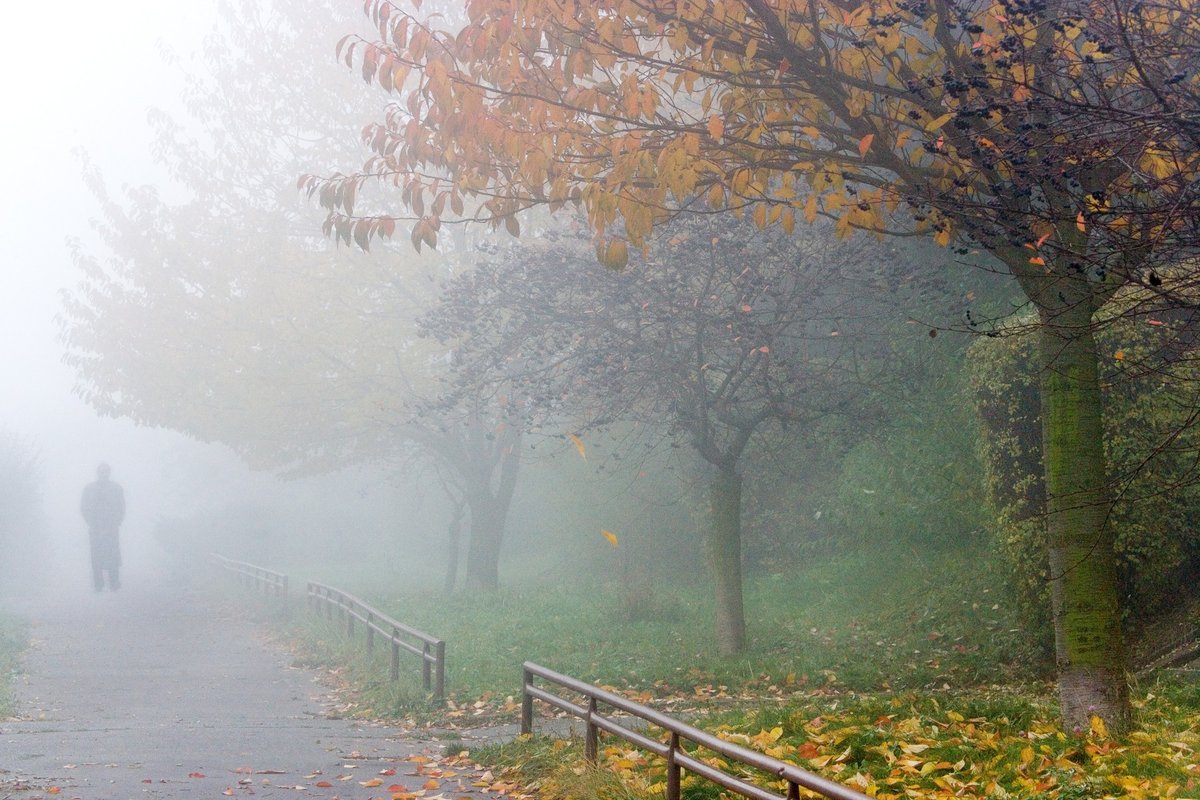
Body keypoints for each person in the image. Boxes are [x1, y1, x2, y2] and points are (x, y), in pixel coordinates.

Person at [81, 463, 125, 591]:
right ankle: (98, 584)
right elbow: (83, 507)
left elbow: (122, 507)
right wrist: (90, 521)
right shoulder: (89, 489)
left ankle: (114, 582)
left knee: (113, 554)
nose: (104, 474)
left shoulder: (117, 488)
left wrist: (117, 521)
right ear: (98, 473)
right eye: (101, 472)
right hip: (96, 527)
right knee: (96, 554)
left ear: (109, 473)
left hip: (111, 527)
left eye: (106, 471)